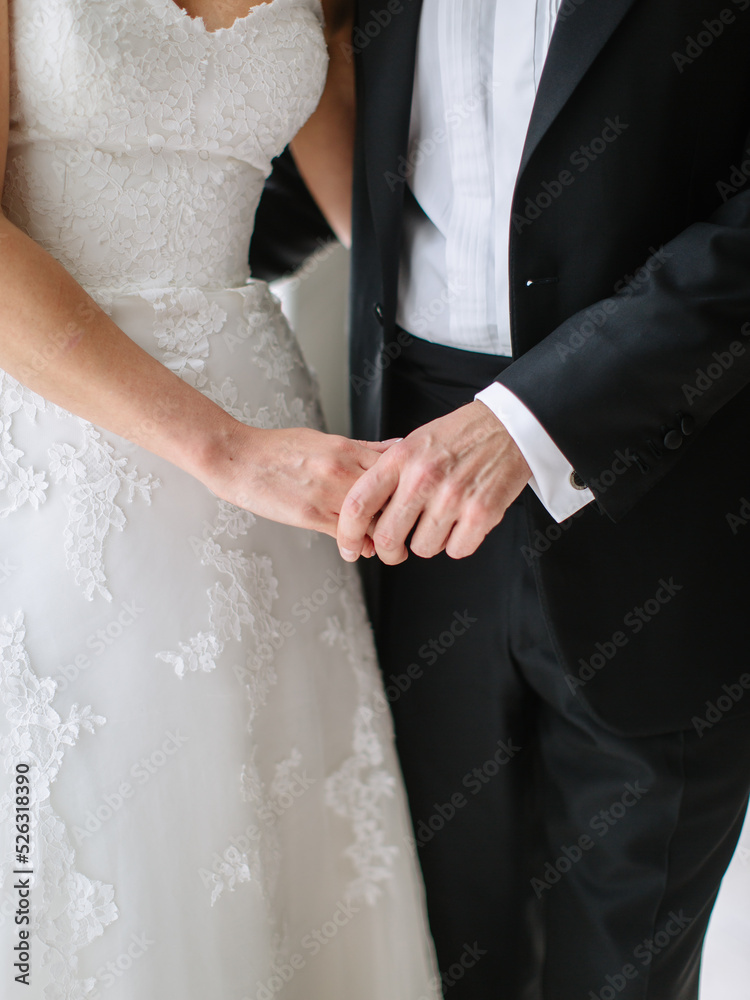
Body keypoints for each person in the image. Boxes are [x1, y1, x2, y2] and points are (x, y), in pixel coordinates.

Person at [251, 1, 750, 997]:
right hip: (402, 506)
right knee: (438, 952)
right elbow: (331, 162)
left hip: (658, 498)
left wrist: (529, 421)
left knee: (622, 969)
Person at [0, 1, 438, 997]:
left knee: (263, 839)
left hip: (266, 463)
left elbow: (381, 220)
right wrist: (226, 450)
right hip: (64, 436)